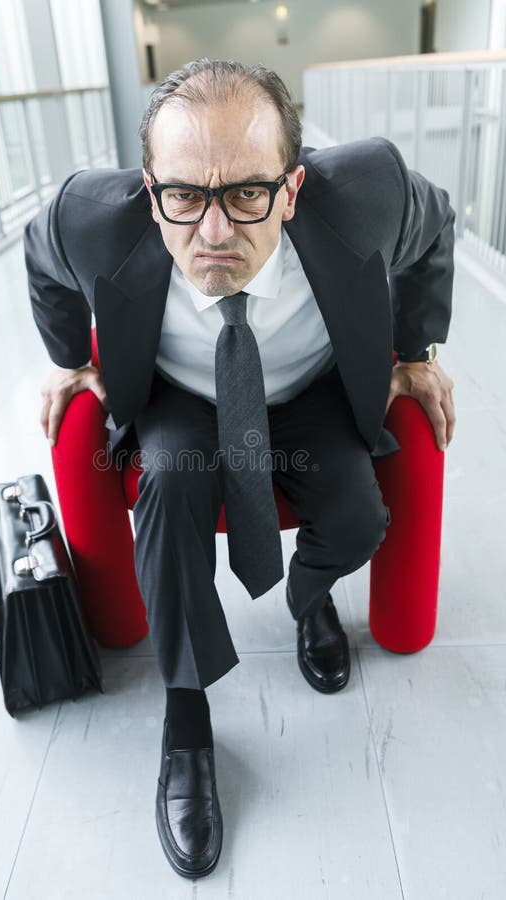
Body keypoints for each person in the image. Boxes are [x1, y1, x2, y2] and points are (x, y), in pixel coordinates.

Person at [24, 58, 456, 879]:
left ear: (292, 189)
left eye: (247, 195)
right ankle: (184, 719)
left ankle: (308, 598)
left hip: (306, 389)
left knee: (360, 515)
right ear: (150, 192)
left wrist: (422, 347)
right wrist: (64, 358)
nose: (214, 234)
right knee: (173, 480)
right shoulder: (90, 217)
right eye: (184, 197)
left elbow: (439, 231)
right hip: (182, 393)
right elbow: (40, 259)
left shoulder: (369, 191)